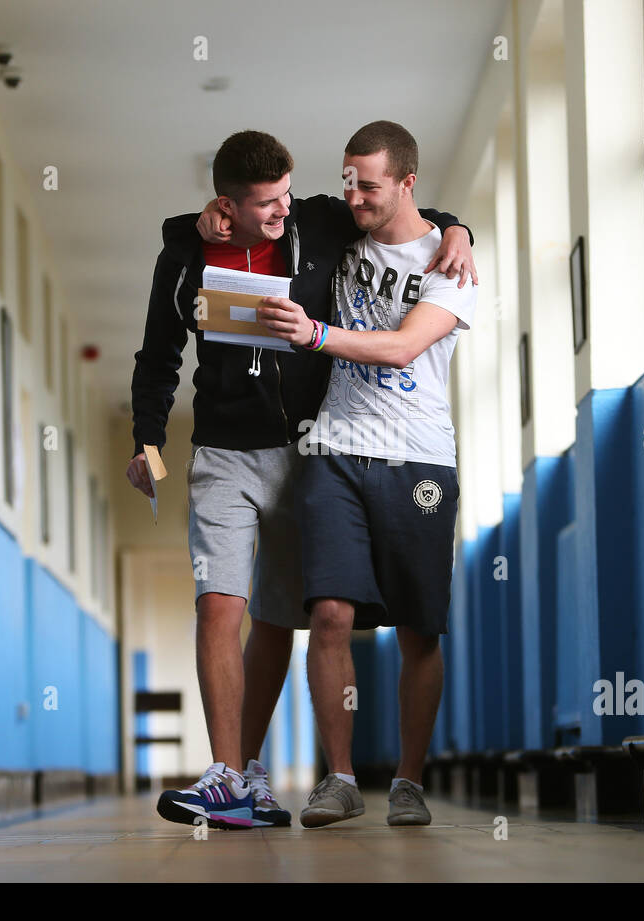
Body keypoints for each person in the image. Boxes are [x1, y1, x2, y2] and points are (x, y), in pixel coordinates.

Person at [127, 130, 476, 829]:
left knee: (280, 616)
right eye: (267, 202)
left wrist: (458, 226)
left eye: (289, 193)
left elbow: (403, 209)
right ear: (227, 206)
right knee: (220, 604)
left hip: (308, 448)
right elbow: (158, 356)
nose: (286, 209)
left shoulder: (315, 220)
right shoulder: (187, 253)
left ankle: (256, 770)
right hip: (224, 451)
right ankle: (228, 775)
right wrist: (148, 442)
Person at [257, 120, 478, 828]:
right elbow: (258, 209)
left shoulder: (453, 266)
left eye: (370, 186)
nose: (354, 197)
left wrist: (317, 334)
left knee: (418, 631)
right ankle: (341, 776)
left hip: (418, 459)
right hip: (334, 450)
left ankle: (409, 780)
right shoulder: (338, 234)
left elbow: (405, 347)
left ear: (408, 183)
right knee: (327, 612)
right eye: (348, 181)